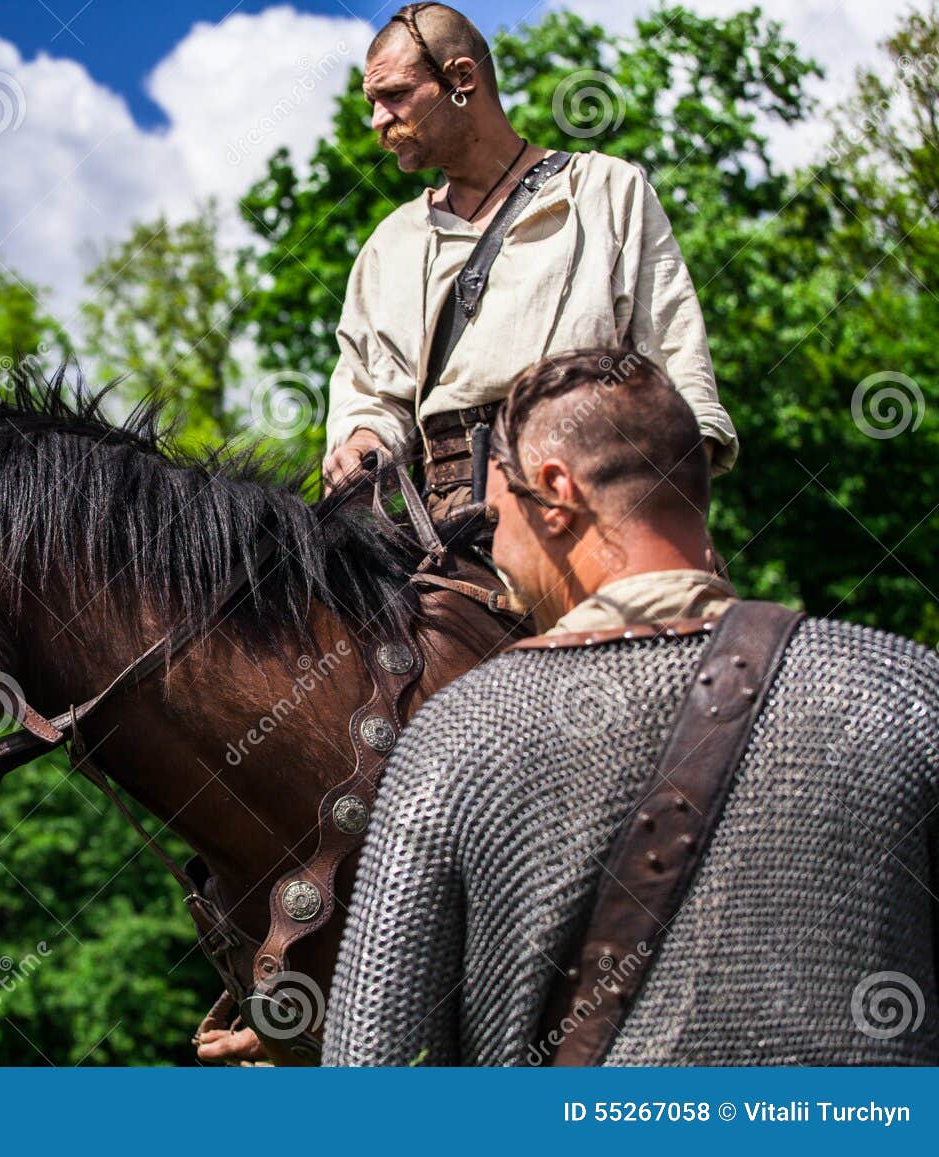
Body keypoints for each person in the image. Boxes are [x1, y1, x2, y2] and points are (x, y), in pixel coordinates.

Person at [322, 347, 939, 1065]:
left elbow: (368, 1079)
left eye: (496, 513)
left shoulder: (462, 735)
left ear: (556, 494)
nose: (494, 545)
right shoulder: (899, 693)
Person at [322, 3, 736, 519]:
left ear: (461, 79)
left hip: (596, 502)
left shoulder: (605, 191)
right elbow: (373, 395)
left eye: (395, 96)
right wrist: (362, 442)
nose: (378, 120)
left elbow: (676, 362)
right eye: (373, 102)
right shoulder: (391, 244)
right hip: (449, 530)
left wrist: (674, 512)